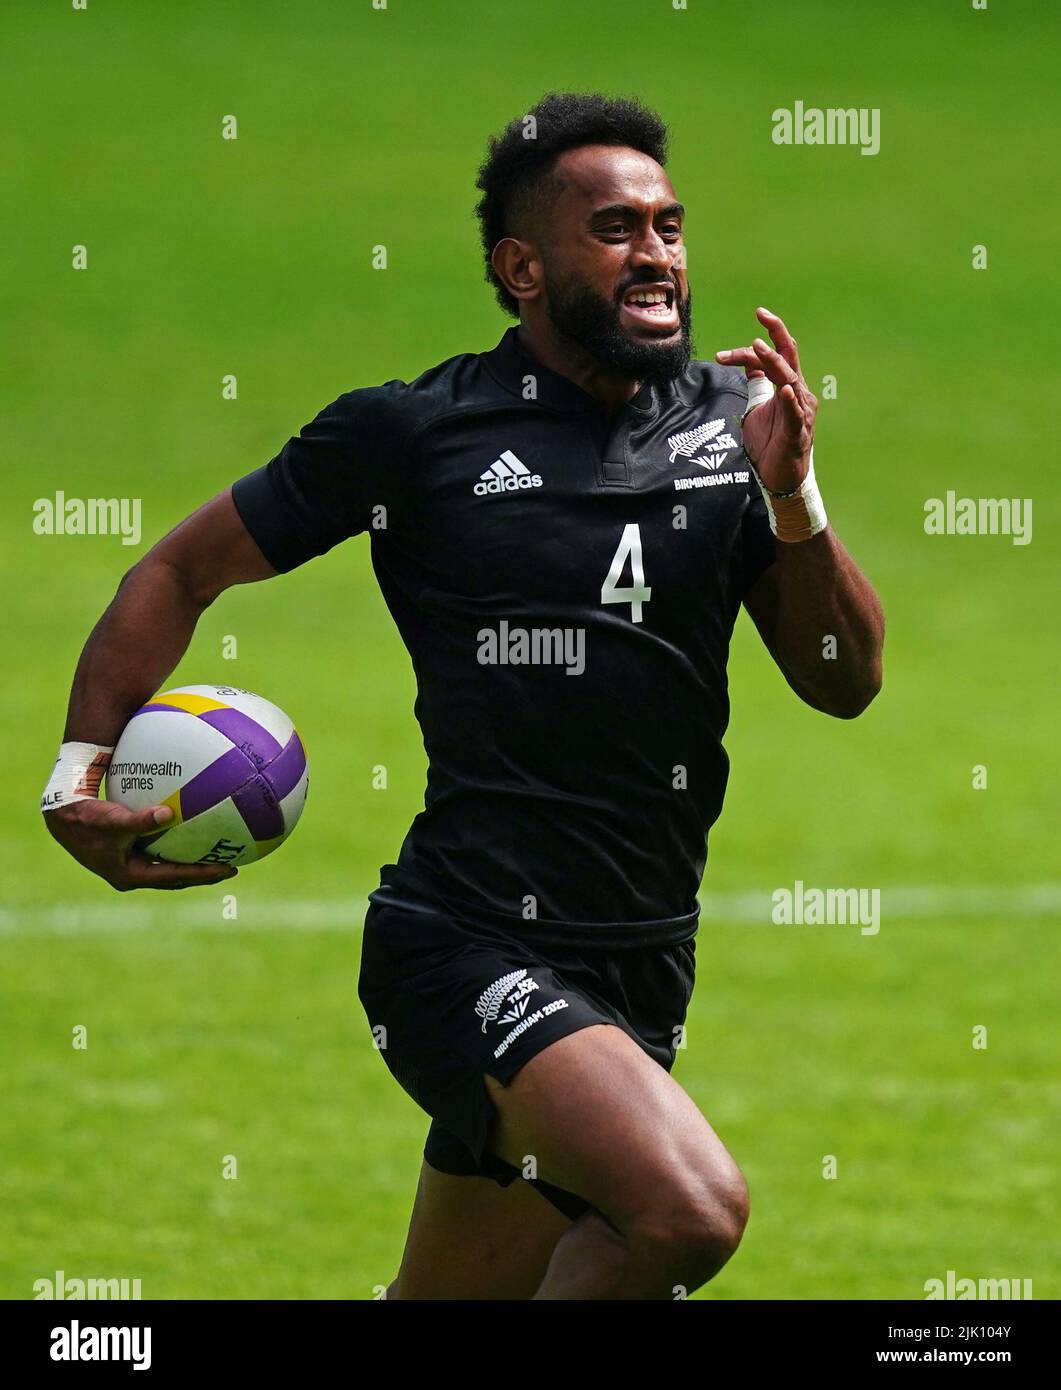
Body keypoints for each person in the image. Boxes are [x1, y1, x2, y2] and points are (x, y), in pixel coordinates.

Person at [43, 92, 884, 1299]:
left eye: (668, 224)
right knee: (686, 1213)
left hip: (640, 958)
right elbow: (180, 567)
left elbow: (842, 684)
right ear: (521, 267)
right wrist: (77, 777)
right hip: (460, 940)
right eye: (614, 228)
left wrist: (794, 504)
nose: (656, 255)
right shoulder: (415, 435)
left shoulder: (728, 425)